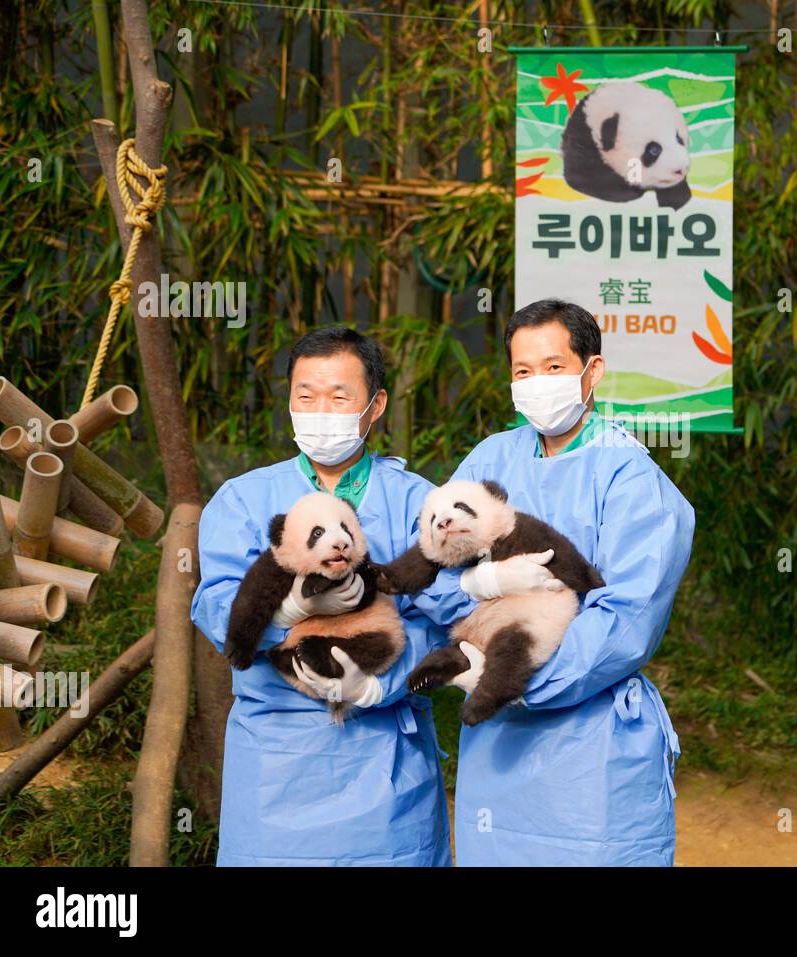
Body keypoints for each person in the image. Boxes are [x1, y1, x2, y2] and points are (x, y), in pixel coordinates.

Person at [190, 327, 556, 866]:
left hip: (385, 766)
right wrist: (289, 609)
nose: (320, 410)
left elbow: (448, 617)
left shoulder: (418, 502)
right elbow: (216, 605)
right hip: (275, 764)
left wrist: (376, 685)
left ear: (376, 404)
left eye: (339, 397)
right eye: (305, 396)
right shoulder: (244, 499)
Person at [415, 298, 695, 866]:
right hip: (497, 751)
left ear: (591, 371)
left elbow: (626, 622)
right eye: (522, 371)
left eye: (553, 368)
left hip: (590, 746)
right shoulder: (491, 459)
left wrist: (507, 681)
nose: (536, 383)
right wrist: (480, 584)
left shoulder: (630, 477)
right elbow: (431, 565)